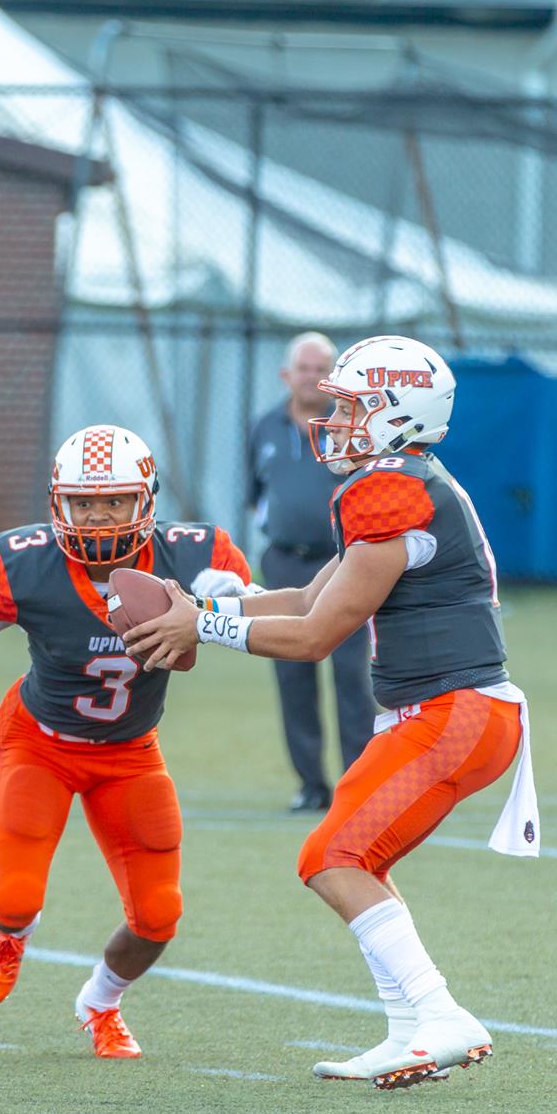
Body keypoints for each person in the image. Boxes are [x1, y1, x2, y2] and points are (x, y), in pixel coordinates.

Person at [123, 336, 538, 1089]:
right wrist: (210, 604)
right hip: (442, 710)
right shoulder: (400, 482)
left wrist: (203, 627)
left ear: (397, 411)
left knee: (331, 857)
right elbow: (308, 598)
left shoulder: (393, 489)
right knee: (353, 855)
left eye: (352, 405)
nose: (333, 416)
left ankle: (441, 1014)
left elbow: (317, 637)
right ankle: (410, 1028)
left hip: (455, 711)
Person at [0, 425, 250, 1058]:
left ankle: (100, 1003)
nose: (99, 515)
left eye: (115, 501)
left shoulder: (197, 555)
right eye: (85, 502)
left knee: (159, 916)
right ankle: (11, 936)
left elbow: (251, 615)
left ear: (144, 501)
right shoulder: (26, 561)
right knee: (11, 900)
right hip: (39, 741)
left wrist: (228, 604)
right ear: (58, 503)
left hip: (130, 751)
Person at [247, 332, 374, 815]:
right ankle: (310, 785)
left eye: (323, 368)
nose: (312, 377)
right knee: (292, 675)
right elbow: (254, 492)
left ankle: (358, 783)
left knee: (352, 676)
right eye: (304, 368)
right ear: (287, 374)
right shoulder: (264, 427)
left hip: (343, 562)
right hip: (283, 560)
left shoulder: (349, 427)